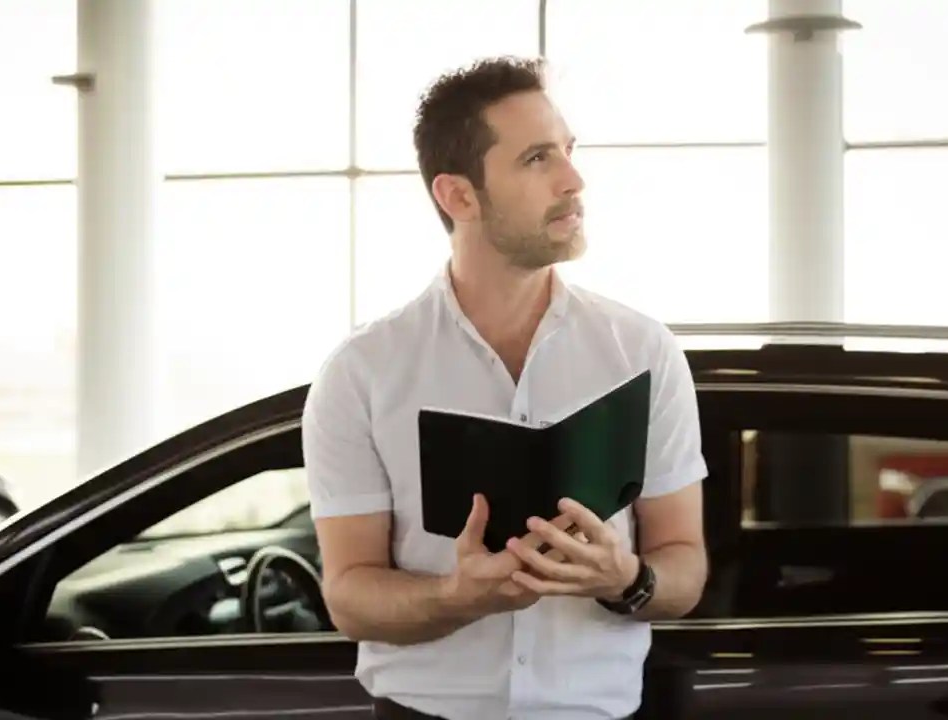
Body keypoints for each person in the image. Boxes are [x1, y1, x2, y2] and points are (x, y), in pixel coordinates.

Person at [302, 55, 708, 720]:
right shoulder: (363, 371)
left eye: (569, 152)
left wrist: (626, 579)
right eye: (537, 160)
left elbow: (684, 566)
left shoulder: (641, 351)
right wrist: (457, 596)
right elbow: (349, 595)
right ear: (458, 195)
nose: (574, 180)